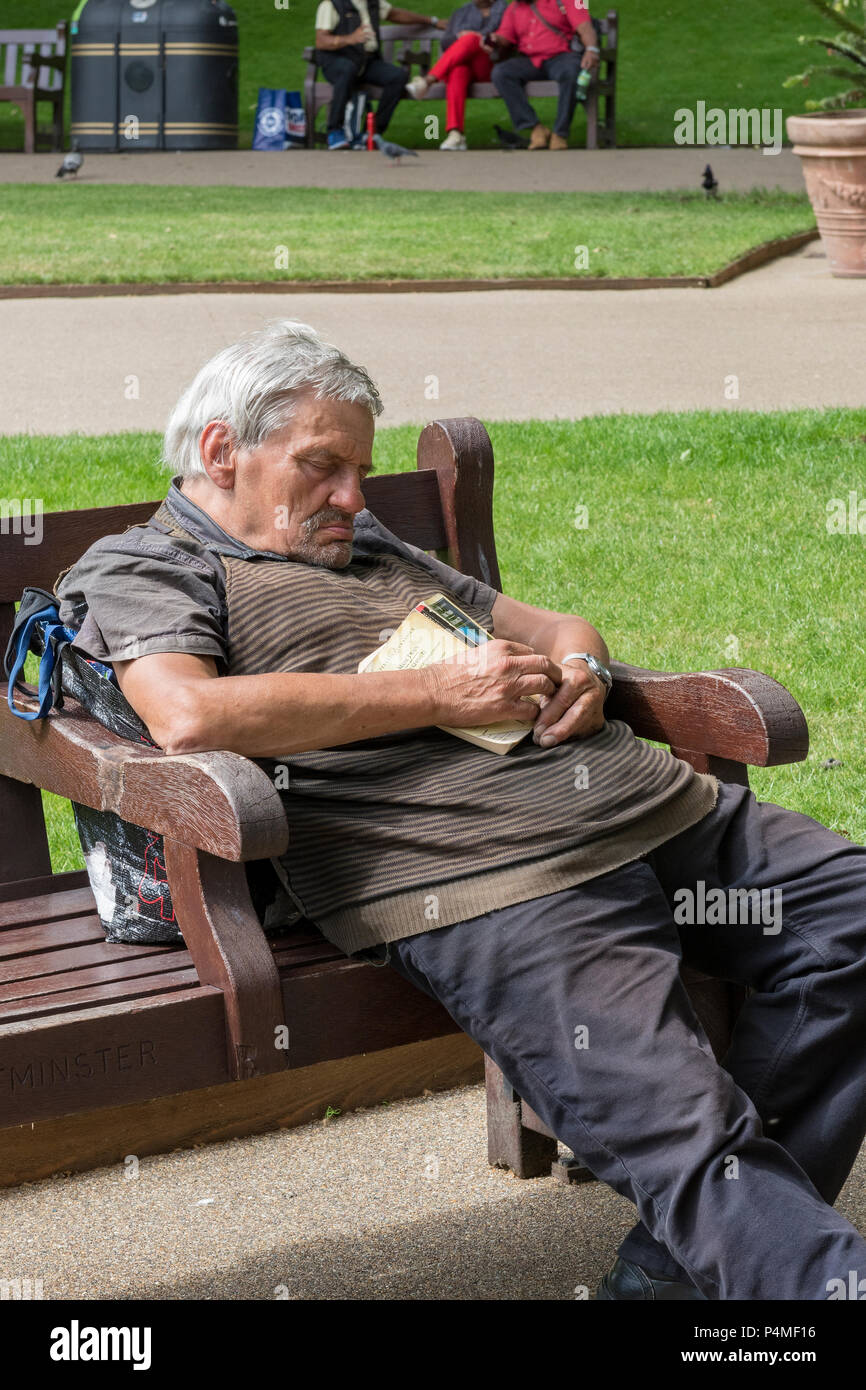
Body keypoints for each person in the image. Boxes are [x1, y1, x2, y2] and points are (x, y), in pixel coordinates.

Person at [56, 320, 866, 1302]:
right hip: (492, 881)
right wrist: (443, 694)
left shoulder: (365, 541)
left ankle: (672, 1276)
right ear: (221, 449)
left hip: (656, 810)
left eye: (361, 468)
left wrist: (580, 668)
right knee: (684, 1134)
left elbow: (556, 626)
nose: (353, 497)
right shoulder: (149, 565)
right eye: (324, 465)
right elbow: (186, 714)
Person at [314, 0, 447, 148]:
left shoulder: (373, 3)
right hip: (338, 59)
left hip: (365, 60)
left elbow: (394, 14)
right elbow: (321, 40)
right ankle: (335, 131)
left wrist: (432, 21)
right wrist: (350, 39)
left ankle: (372, 133)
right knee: (347, 69)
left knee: (398, 76)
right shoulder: (332, 4)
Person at [489, 0, 599, 149]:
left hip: (561, 56)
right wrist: (495, 40)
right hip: (530, 60)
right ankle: (535, 128)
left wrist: (591, 49)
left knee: (570, 73)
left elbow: (584, 26)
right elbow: (506, 36)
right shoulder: (513, 8)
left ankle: (560, 133)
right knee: (501, 73)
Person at [405, 0, 506, 150]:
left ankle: (427, 81)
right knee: (457, 71)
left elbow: (505, 38)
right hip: (463, 64)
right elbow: (445, 42)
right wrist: (460, 37)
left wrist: (475, 36)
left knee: (472, 39)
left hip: (490, 65)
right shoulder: (461, 13)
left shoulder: (504, 10)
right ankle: (455, 134)